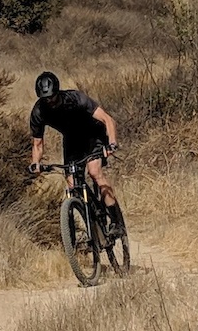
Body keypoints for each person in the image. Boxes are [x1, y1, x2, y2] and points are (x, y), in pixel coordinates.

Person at [29, 71, 126, 236]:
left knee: (95, 172)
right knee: (72, 184)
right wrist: (35, 163)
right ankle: (90, 221)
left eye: (52, 97)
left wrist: (111, 144)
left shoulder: (75, 98)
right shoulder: (39, 111)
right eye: (45, 99)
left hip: (93, 134)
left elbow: (107, 120)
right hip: (72, 140)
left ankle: (117, 222)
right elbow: (37, 144)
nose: (50, 101)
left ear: (58, 92)